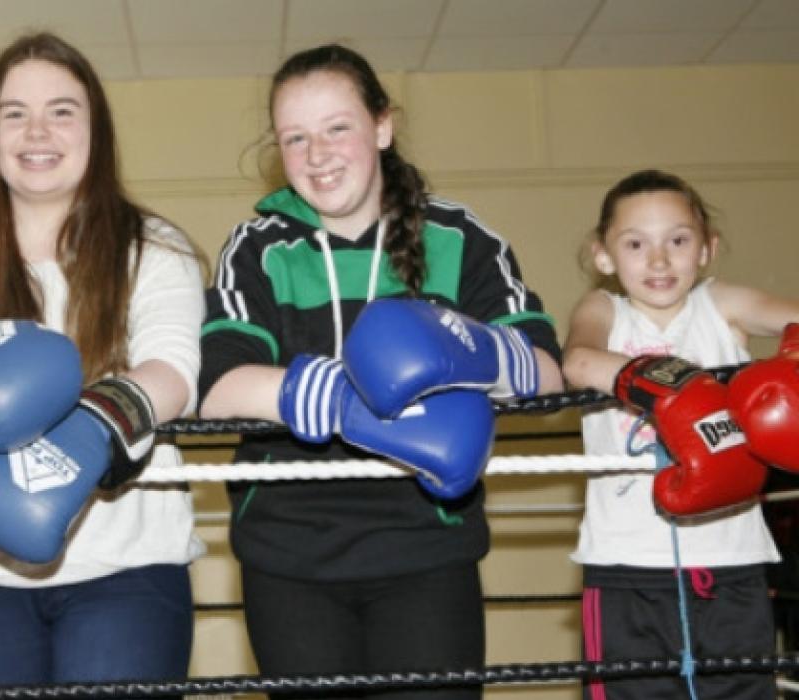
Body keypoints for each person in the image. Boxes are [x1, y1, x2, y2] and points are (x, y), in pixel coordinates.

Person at [198, 44, 563, 699]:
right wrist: (344, 402)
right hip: (290, 552)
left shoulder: (458, 237)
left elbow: (548, 377)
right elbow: (215, 386)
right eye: (295, 138)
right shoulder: (257, 247)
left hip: (425, 545)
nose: (317, 154)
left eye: (337, 127)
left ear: (383, 126)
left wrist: (475, 353)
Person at [0, 32, 205, 687]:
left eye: (62, 110)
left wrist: (84, 434)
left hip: (128, 563)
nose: (37, 131)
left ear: (96, 130)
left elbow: (175, 371)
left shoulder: (155, 246)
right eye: (14, 113)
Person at [562, 168, 799, 699]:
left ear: (707, 248)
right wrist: (673, 387)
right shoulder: (605, 309)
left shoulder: (722, 307)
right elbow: (578, 362)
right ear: (603, 255)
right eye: (636, 243)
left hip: (733, 561)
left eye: (678, 240)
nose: (659, 259)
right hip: (628, 569)